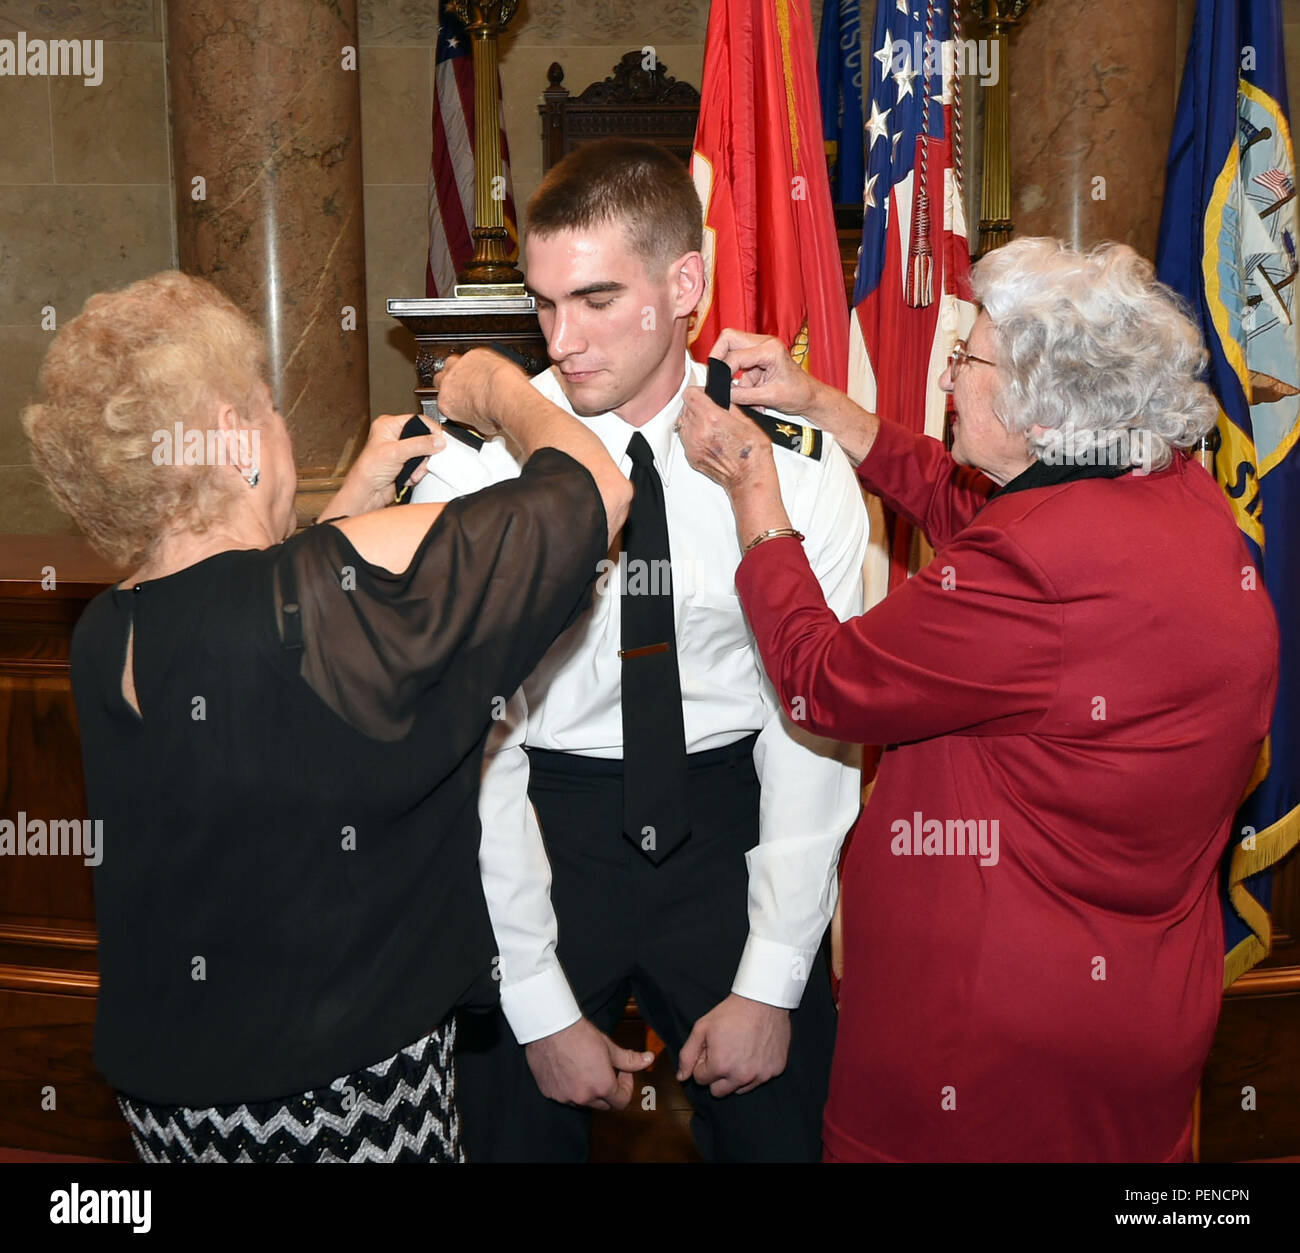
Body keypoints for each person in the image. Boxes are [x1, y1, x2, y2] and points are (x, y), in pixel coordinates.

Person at [676, 236, 1281, 1162]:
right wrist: (820, 405)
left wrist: (753, 489)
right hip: (1143, 1017)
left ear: (1042, 410)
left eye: (968, 358)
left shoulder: (1035, 564)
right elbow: (979, 525)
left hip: (988, 1048)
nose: (950, 376)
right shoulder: (1180, 500)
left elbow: (821, 680)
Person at [21, 269, 633, 1163]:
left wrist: (350, 503)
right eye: (268, 409)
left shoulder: (108, 629)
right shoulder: (314, 591)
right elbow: (595, 495)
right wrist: (501, 385)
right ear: (234, 439)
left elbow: (260, 631)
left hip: (167, 1102)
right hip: (338, 1098)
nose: (281, 429)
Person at [413, 138, 870, 1162]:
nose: (561, 340)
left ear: (685, 284)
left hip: (732, 831)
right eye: (542, 304)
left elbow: (813, 729)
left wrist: (769, 976)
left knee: (782, 1136)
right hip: (536, 833)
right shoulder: (479, 477)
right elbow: (473, 744)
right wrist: (533, 996)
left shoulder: (792, 466)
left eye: (596, 300)